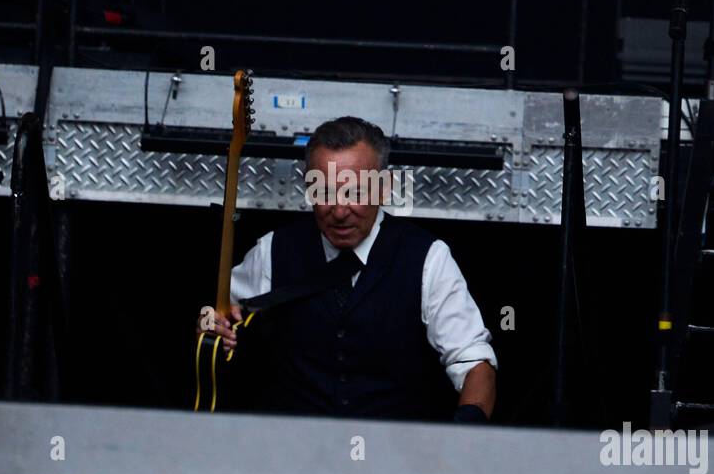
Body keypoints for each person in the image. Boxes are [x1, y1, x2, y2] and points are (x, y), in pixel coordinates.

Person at [200, 115, 497, 422]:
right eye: (325, 193)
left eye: (356, 193)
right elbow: (215, 319)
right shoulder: (272, 251)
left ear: (384, 188)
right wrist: (212, 326)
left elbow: (475, 363)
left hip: (396, 455)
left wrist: (463, 436)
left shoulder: (429, 259)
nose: (340, 212)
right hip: (292, 452)